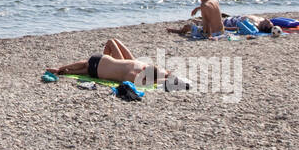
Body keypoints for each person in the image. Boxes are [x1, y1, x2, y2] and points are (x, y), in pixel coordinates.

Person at [46, 38, 191, 90]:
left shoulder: (138, 66)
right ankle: (61, 71)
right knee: (81, 70)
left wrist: (166, 78)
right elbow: (148, 81)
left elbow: (153, 76)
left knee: (82, 66)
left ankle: (60, 70)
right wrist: (167, 80)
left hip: (101, 61)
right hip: (99, 72)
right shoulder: (133, 75)